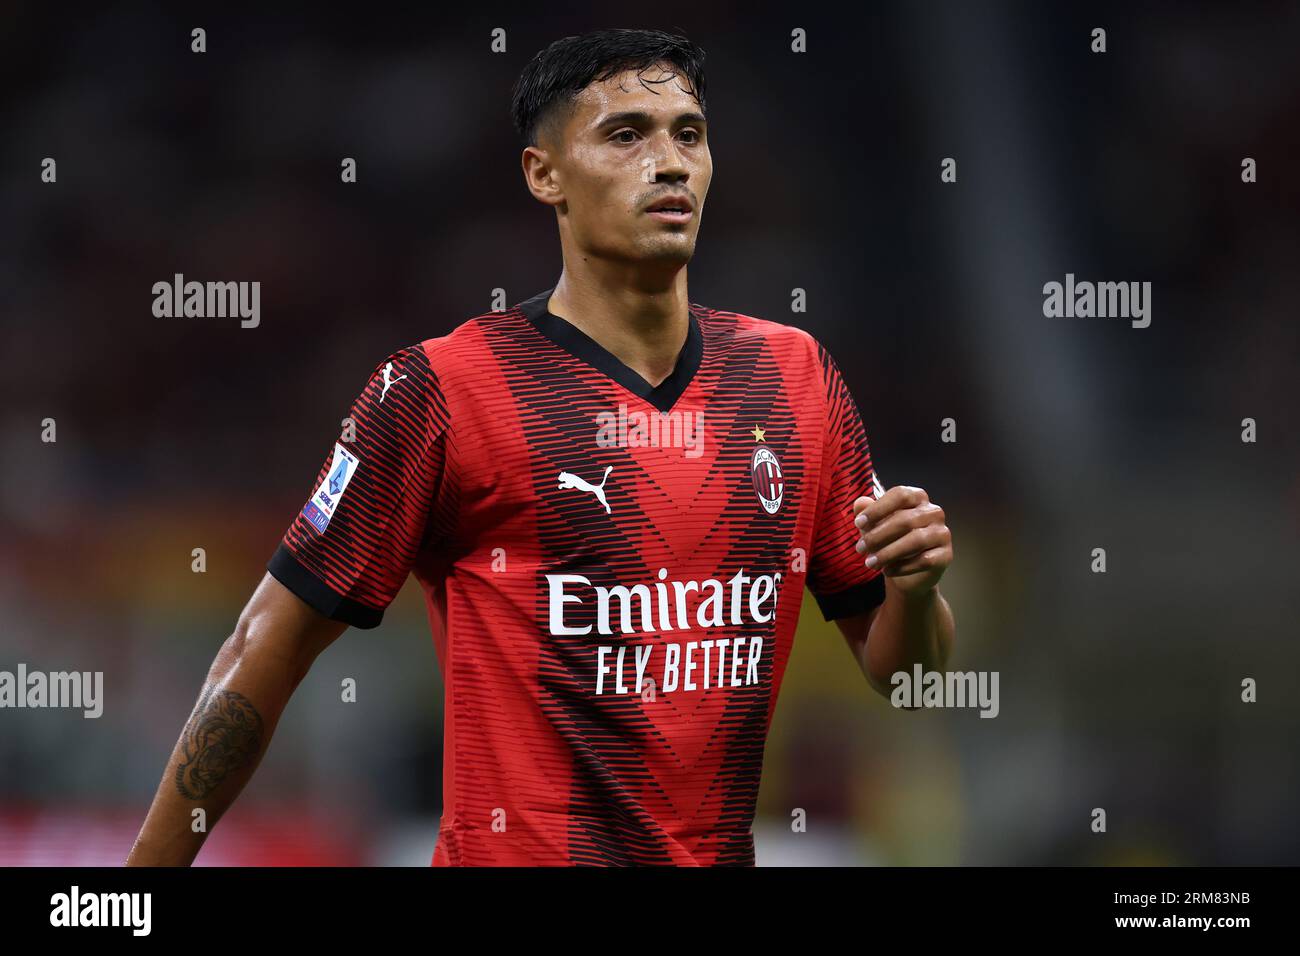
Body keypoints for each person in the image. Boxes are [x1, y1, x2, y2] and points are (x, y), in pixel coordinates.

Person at [127, 27, 955, 867]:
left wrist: (915, 591)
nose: (669, 162)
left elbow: (909, 681)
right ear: (544, 174)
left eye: (690, 135)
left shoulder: (795, 377)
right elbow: (267, 643)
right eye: (626, 134)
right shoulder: (439, 390)